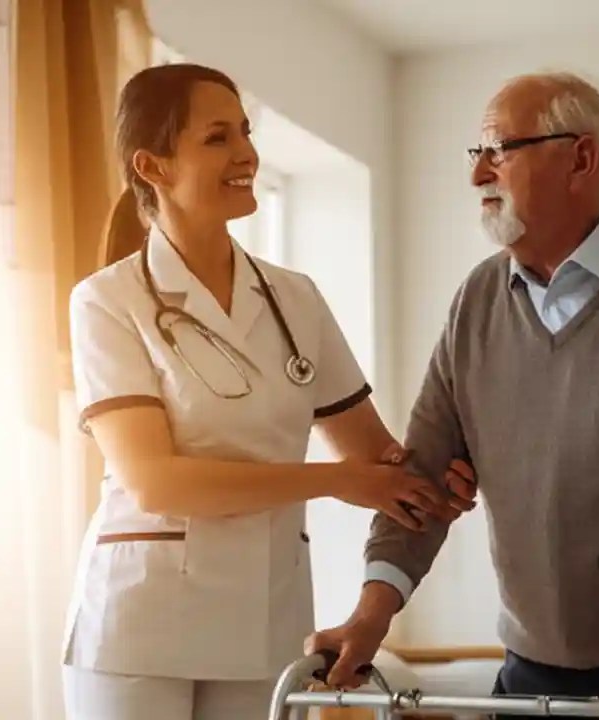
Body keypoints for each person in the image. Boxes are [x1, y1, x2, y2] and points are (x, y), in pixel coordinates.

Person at [308, 71, 599, 720]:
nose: (478, 174)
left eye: (499, 150)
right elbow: (425, 476)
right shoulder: (477, 300)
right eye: (476, 154)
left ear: (580, 159)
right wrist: (370, 616)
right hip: (533, 664)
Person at [60, 63, 478, 720]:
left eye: (245, 133)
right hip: (144, 623)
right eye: (217, 137)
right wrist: (335, 481)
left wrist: (434, 480)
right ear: (152, 166)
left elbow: (375, 460)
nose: (246, 154)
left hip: (265, 616)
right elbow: (156, 483)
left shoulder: (295, 299)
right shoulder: (108, 301)